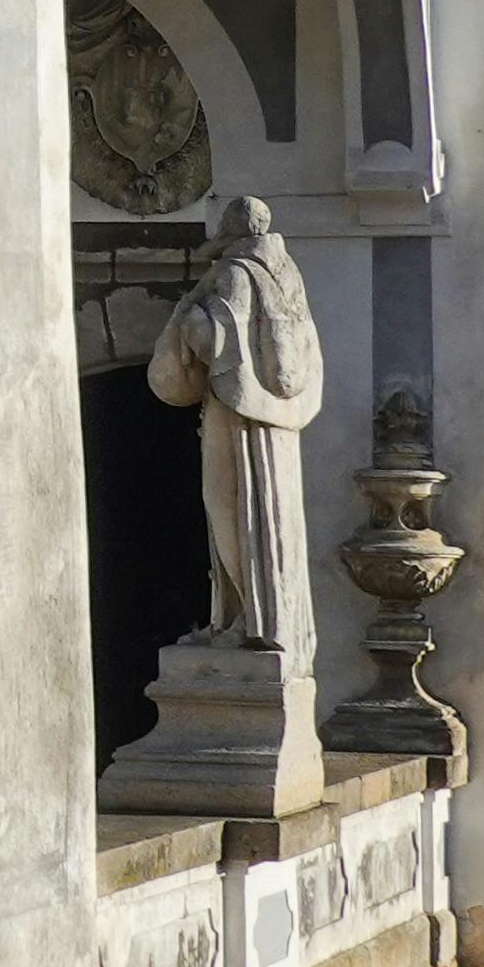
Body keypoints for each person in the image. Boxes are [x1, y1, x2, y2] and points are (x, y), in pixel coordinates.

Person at [146, 195, 326, 671]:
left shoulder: (233, 273)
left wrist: (192, 322)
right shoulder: (287, 275)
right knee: (268, 514)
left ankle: (246, 620)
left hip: (236, 412)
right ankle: (255, 618)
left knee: (231, 510)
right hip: (276, 426)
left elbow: (220, 348)